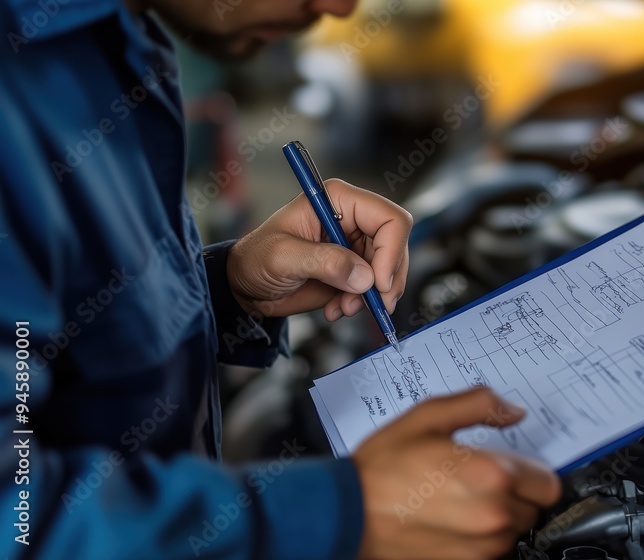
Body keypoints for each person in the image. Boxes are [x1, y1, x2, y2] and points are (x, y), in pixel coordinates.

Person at [0, 0, 561, 558]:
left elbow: (62, 342)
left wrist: (229, 286)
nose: (338, 8)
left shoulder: (121, 38)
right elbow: (16, 520)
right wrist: (341, 513)